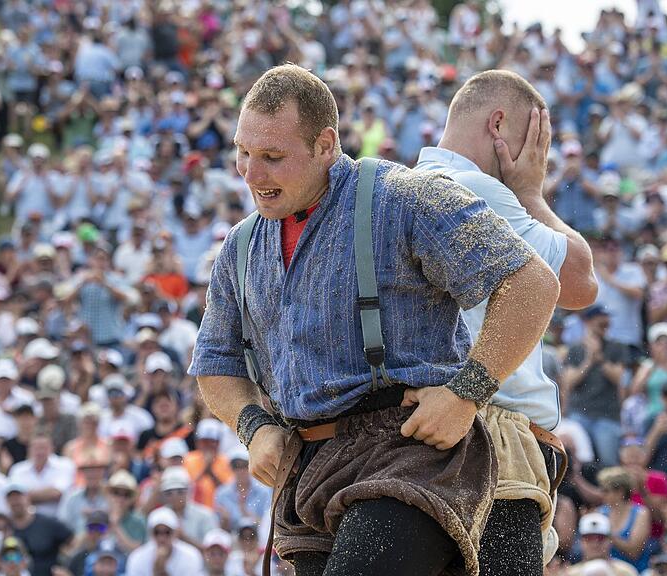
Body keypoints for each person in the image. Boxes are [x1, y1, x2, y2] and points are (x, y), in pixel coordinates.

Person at [190, 64, 560, 576]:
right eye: (243, 153)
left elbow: (532, 284)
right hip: (309, 472)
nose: (252, 174)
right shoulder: (239, 247)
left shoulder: (403, 197)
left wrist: (465, 392)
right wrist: (253, 427)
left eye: (273, 157)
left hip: (410, 455)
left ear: (325, 144)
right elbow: (215, 361)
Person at [415, 68, 598, 573]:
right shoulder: (477, 188)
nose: (535, 160)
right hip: (495, 448)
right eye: (534, 143)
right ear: (499, 126)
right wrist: (532, 193)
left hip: (417, 441)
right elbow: (580, 281)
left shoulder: (400, 188)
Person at [563, 305, 628, 466]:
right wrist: (589, 360)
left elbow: (619, 378)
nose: (606, 322)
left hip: (607, 415)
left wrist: (599, 357)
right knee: (579, 461)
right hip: (580, 414)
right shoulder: (576, 349)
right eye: (601, 317)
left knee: (608, 462)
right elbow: (569, 382)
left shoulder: (616, 347)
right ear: (589, 321)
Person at [6, 483, 74, 576]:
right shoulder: (5, 527)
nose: (15, 502)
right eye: (11, 499)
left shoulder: (47, 523)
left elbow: (72, 540)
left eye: (18, 497)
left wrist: (66, 566)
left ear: (27, 498)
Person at [598, 467, 654, 572]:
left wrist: (606, 534)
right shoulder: (600, 512)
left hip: (635, 570)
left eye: (606, 490)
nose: (602, 494)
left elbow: (634, 552)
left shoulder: (641, 513)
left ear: (620, 492)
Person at [124, 507, 204, 576]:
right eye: (157, 532)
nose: (162, 538)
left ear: (175, 533)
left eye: (167, 532)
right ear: (150, 533)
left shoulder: (190, 555)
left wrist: (161, 571)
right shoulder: (137, 557)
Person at [566, 513, 638, 576]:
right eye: (589, 538)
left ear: (610, 540)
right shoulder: (570, 573)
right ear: (581, 541)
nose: (594, 544)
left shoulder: (626, 572)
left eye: (600, 538)